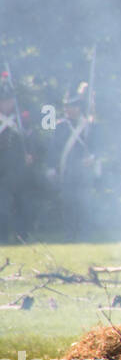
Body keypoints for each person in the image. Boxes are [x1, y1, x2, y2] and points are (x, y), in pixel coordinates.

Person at [46, 82, 97, 239]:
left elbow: (98, 147)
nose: (68, 109)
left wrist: (93, 158)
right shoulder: (61, 126)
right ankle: (70, 234)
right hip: (67, 171)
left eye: (71, 106)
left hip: (84, 171)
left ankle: (85, 234)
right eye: (66, 106)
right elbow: (54, 149)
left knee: (85, 203)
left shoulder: (89, 126)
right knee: (68, 203)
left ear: (78, 108)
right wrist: (51, 167)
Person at [0, 70, 38, 242]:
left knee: (22, 202)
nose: (7, 104)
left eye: (9, 100)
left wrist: (31, 155)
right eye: (4, 101)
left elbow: (32, 138)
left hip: (18, 167)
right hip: (2, 167)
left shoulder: (22, 119)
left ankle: (22, 234)